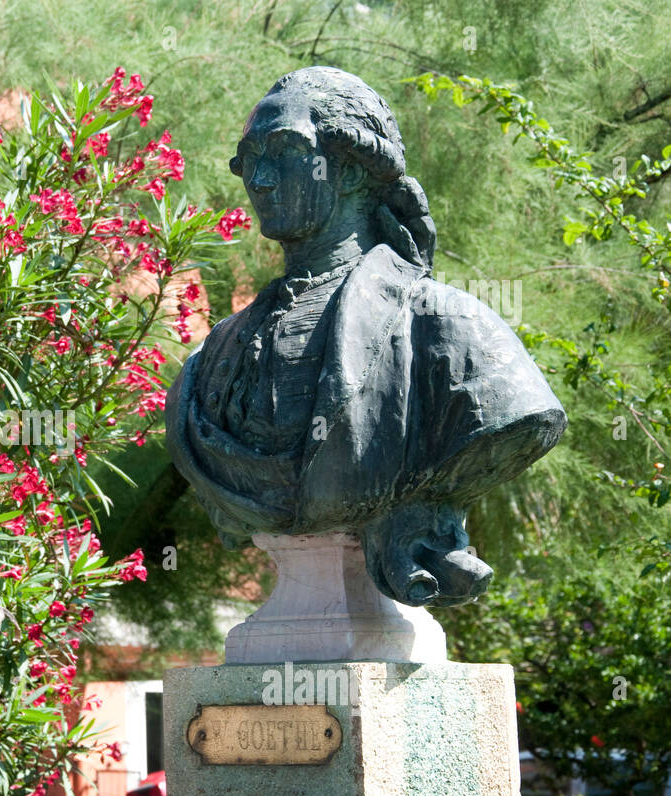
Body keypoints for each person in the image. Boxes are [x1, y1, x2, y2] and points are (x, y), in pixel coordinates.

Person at [165, 67, 567, 607]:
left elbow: (519, 417)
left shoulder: (447, 327)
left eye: (284, 151)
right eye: (249, 158)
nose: (258, 179)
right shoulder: (210, 362)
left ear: (351, 171)